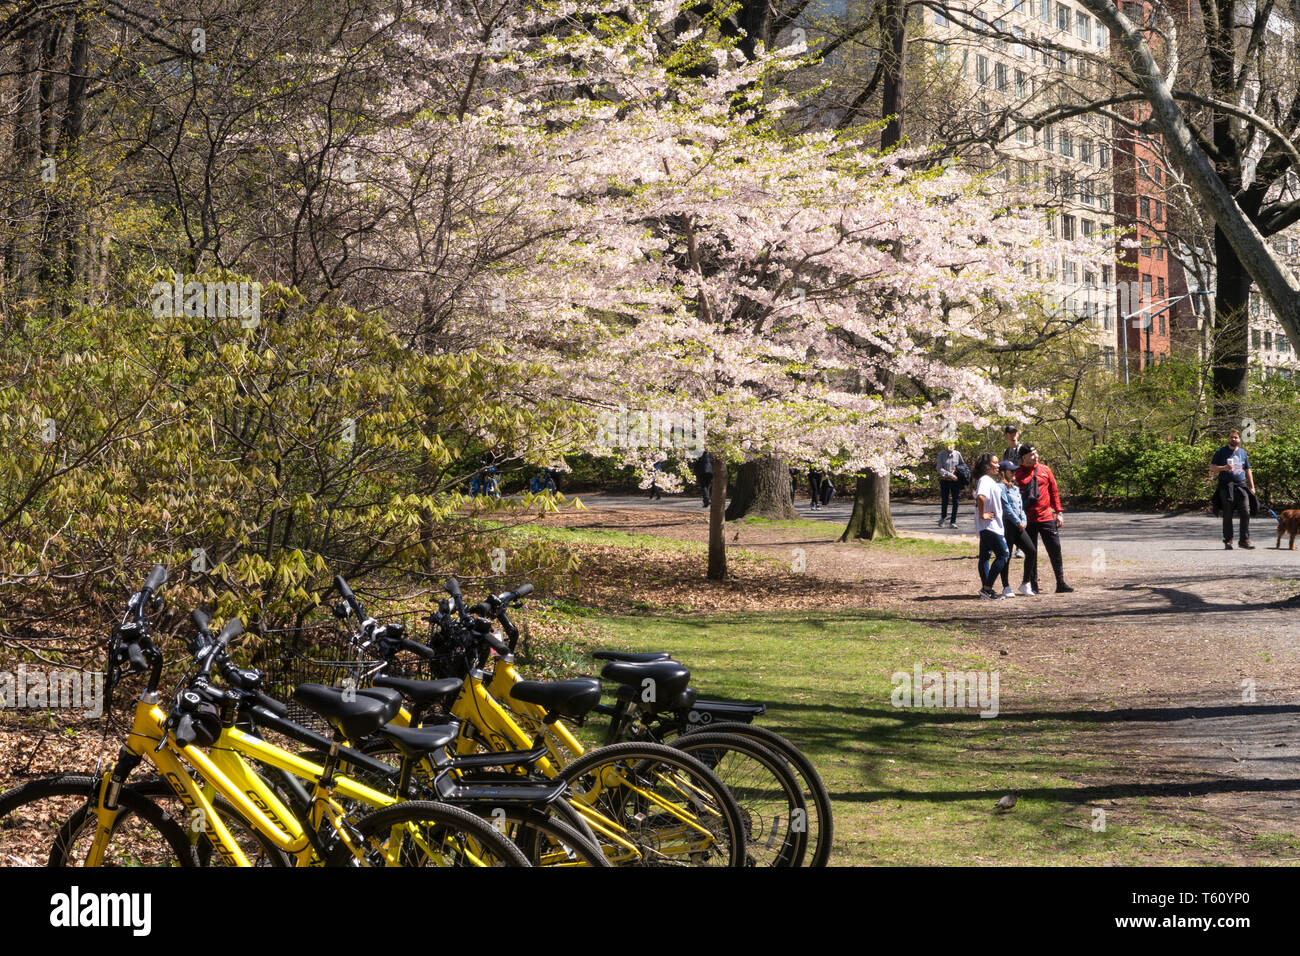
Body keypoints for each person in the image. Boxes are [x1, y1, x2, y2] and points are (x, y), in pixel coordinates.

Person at [1015, 444, 1072, 594]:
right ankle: (1032, 585)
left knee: (1055, 549)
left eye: (1036, 453)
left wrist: (1059, 512)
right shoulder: (1017, 473)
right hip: (1027, 519)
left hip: (1046, 516)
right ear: (1024, 457)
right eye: (1032, 454)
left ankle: (1061, 582)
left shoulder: (1045, 469)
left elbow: (1054, 491)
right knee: (1031, 552)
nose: (1036, 456)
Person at [1210, 428, 1256, 549]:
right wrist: (1224, 468)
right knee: (1228, 514)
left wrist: (1252, 486)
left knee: (1246, 512)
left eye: (1235, 437)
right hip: (1226, 486)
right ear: (1228, 438)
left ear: (1239, 439)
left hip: (1241, 486)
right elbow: (1212, 467)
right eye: (1231, 437)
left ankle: (1244, 540)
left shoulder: (1243, 453)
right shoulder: (1221, 452)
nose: (1233, 439)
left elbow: (1248, 469)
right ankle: (1228, 541)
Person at [998, 459, 1037, 597]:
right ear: (1003, 473)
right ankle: (1006, 586)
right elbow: (1006, 508)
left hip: (1019, 525)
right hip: (1008, 525)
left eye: (1015, 470)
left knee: (1031, 551)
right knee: (1006, 556)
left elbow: (1021, 507)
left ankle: (1025, 583)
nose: (1014, 473)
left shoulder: (1015, 488)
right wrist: (1017, 521)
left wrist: (1024, 520)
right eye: (1011, 471)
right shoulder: (1000, 487)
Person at [974, 453, 1009, 600]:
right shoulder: (985, 480)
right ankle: (987, 588)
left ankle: (987, 590)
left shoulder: (988, 480)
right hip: (990, 526)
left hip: (989, 526)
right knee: (1003, 554)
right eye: (995, 462)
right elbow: (981, 497)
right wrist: (983, 515)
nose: (998, 465)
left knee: (985, 557)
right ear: (987, 466)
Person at [937, 444, 964, 528]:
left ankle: (953, 521)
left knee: (956, 502)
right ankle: (943, 518)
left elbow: (962, 466)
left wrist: (959, 473)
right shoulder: (941, 454)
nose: (950, 447)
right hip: (945, 481)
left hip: (955, 482)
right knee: (945, 501)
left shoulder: (957, 454)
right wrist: (950, 475)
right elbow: (939, 468)